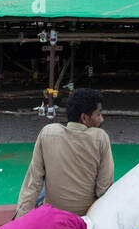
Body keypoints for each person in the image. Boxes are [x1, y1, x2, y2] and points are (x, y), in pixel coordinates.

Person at [14, 88, 114, 218]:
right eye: (98, 114)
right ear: (84, 117)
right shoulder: (100, 137)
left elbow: (32, 184)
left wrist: (18, 221)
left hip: (53, 214)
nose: (101, 119)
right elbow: (103, 189)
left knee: (42, 185)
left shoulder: (47, 132)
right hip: (83, 217)